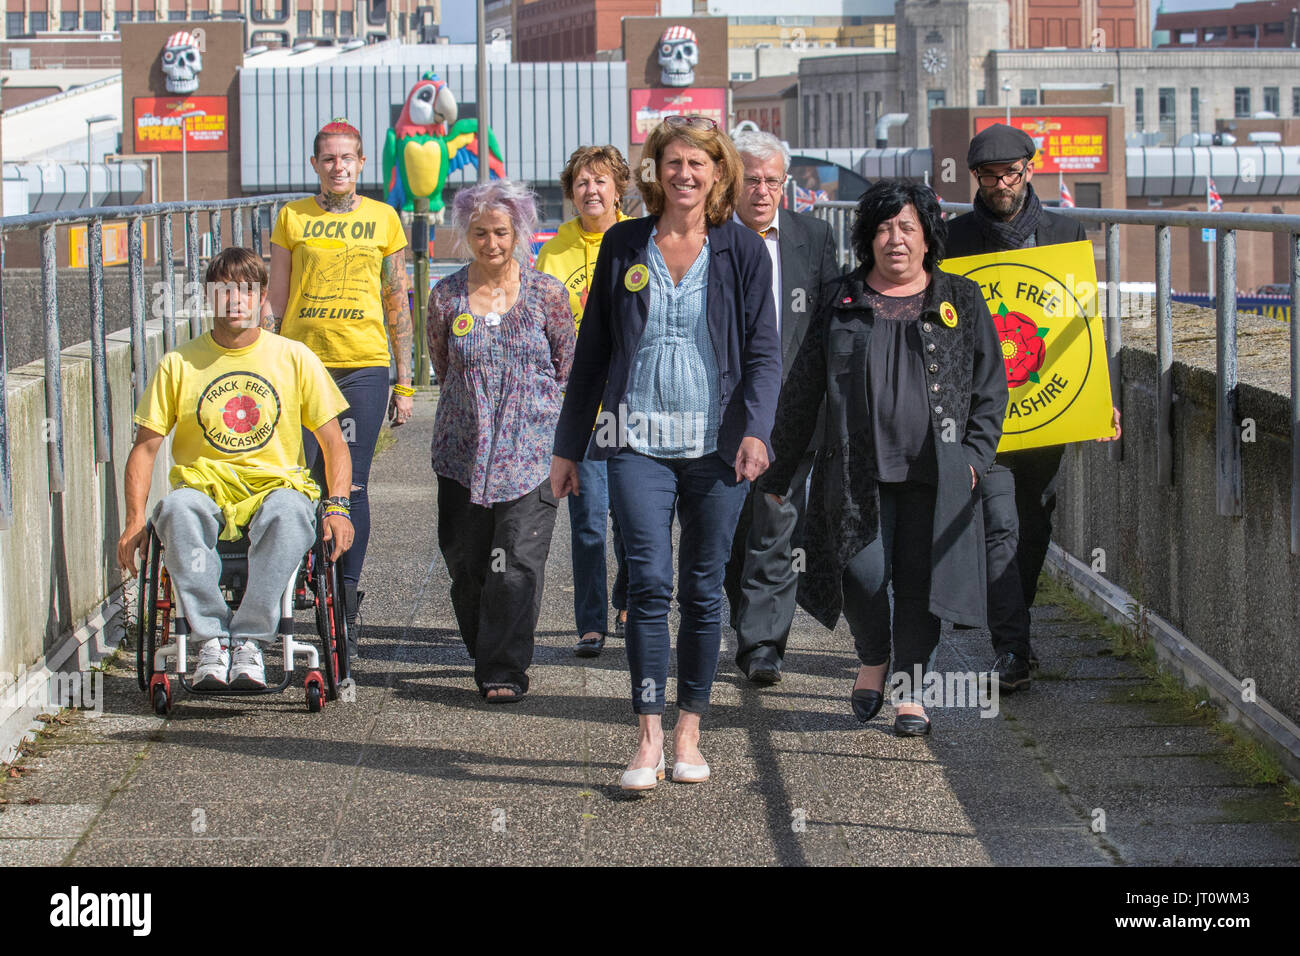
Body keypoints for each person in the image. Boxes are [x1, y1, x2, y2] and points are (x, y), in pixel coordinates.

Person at [551, 116, 781, 789]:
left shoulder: (741, 251)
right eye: (672, 163)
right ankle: (648, 735)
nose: (684, 175)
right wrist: (568, 447)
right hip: (634, 442)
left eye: (698, 164)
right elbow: (592, 353)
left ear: (718, 174)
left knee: (704, 590)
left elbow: (765, 354)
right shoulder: (624, 243)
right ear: (656, 171)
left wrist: (756, 430)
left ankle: (690, 732)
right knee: (649, 584)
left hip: (717, 448)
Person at [758, 181, 1008, 737]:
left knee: (920, 584)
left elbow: (992, 389)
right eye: (883, 228)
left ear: (927, 239)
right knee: (860, 572)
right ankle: (873, 655)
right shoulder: (840, 299)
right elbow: (802, 389)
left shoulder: (961, 300)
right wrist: (778, 470)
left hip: (937, 475)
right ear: (867, 238)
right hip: (854, 471)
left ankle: (910, 690)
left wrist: (974, 456)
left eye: (907, 228)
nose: (895, 239)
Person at [118, 248, 354, 690]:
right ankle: (211, 640)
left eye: (246, 289)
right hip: (205, 488)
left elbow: (334, 444)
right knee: (175, 510)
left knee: (289, 512)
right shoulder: (178, 363)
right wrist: (134, 522)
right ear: (209, 297)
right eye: (224, 290)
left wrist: (338, 507)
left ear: (263, 297)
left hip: (275, 486)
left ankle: (249, 639)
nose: (236, 300)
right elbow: (145, 450)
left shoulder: (294, 357)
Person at [944, 123, 1121, 693]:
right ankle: (1012, 651)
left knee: (1034, 523)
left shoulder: (1066, 232)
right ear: (975, 176)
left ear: (1030, 170)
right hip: (983, 418)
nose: (1001, 185)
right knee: (998, 524)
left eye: (1011, 174)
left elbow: (1082, 329)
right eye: (990, 176)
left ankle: (1015, 625)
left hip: (1048, 413)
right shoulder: (953, 240)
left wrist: (1101, 401)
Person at [266, 118, 414, 657]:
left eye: (347, 158)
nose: (338, 166)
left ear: (361, 163)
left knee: (350, 482)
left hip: (364, 368)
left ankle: (345, 599)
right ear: (315, 166)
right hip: (303, 365)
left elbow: (398, 300)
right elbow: (275, 301)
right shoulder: (292, 219)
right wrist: (265, 362)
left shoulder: (383, 219)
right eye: (328, 159)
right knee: (302, 480)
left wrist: (405, 382)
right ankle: (306, 575)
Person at [428, 180, 575, 702]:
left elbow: (566, 369)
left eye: (501, 233)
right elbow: (442, 366)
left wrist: (560, 441)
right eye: (480, 233)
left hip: (529, 454)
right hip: (462, 454)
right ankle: (484, 643)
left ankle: (504, 669)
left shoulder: (547, 295)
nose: (491, 243)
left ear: (519, 234)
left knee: (515, 565)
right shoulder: (445, 296)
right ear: (466, 234)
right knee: (467, 565)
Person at [722, 129, 842, 685]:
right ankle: (741, 614)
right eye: (752, 179)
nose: (763, 190)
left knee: (775, 523)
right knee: (728, 528)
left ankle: (762, 647)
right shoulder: (709, 238)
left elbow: (829, 328)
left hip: (792, 410)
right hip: (720, 409)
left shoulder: (814, 239)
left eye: (773, 180)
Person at [533, 145, 633, 659]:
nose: (591, 191)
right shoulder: (553, 253)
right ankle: (591, 623)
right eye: (581, 183)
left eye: (601, 182)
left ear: (620, 188)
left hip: (638, 403)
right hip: (584, 407)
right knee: (590, 520)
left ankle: (629, 596)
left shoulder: (644, 239)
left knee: (637, 519)